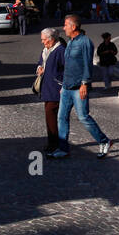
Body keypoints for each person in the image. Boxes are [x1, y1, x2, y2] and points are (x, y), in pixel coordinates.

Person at [54, 14, 112, 159]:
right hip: (67, 87)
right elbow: (69, 66)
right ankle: (63, 149)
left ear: (73, 26)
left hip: (79, 87)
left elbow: (87, 64)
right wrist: (63, 85)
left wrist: (85, 84)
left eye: (66, 25)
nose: (64, 28)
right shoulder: (71, 42)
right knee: (61, 117)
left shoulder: (85, 42)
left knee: (83, 117)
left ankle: (104, 141)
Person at [35, 27, 67, 155]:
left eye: (44, 40)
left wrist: (63, 85)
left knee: (51, 115)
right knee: (49, 117)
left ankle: (55, 144)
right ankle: (52, 143)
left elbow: (67, 70)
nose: (42, 42)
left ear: (51, 39)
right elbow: (40, 62)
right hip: (47, 88)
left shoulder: (60, 51)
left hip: (56, 89)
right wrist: (39, 68)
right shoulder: (46, 50)